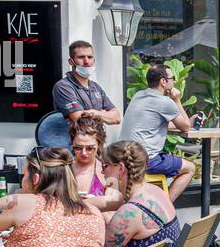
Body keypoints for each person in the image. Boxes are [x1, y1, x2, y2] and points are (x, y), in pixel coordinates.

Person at [120, 63, 195, 201]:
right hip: (146, 160)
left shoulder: (139, 95)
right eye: (172, 78)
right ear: (163, 81)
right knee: (190, 168)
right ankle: (164, 209)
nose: (174, 81)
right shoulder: (164, 101)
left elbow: (155, 123)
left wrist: (185, 122)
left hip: (124, 156)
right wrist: (177, 100)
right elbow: (185, 127)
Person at [53, 40, 120, 126]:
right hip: (75, 139)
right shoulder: (63, 86)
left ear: (94, 60)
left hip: (98, 138)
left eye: (90, 57)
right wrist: (103, 115)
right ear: (71, 61)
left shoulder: (95, 87)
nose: (86, 61)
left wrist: (94, 113)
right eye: (81, 57)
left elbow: (117, 117)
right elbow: (79, 119)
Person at [69, 116, 118, 211]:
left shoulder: (106, 170)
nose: (84, 153)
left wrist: (85, 203)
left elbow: (116, 200)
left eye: (90, 148)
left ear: (99, 144)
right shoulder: (63, 168)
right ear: (72, 143)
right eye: (78, 148)